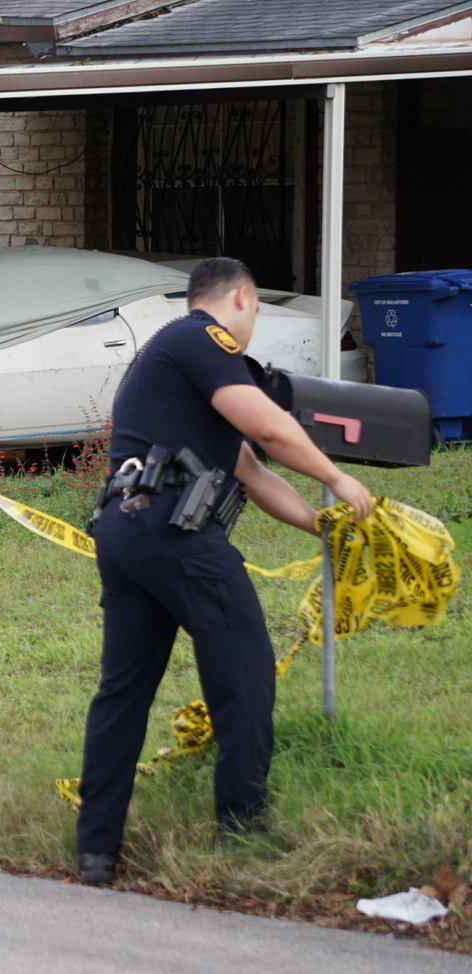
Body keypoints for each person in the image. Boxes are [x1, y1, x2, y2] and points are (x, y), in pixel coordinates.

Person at [75, 257, 374, 883]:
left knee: (123, 692)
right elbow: (272, 428)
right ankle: (243, 831)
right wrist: (337, 477)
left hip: (127, 536)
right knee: (245, 672)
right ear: (241, 298)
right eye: (257, 312)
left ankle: (96, 850)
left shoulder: (167, 359)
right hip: (176, 537)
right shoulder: (201, 338)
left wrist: (321, 526)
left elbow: (252, 472)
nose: (252, 327)